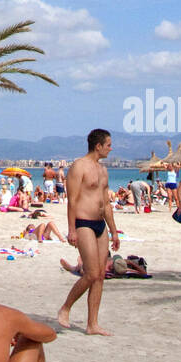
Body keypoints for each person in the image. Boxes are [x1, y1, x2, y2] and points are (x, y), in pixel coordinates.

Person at [57, 129, 120, 336]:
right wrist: (71, 229)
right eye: (108, 145)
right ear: (98, 146)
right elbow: (72, 201)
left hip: (101, 225)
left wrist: (114, 231)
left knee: (100, 275)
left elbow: (106, 203)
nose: (111, 148)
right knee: (91, 273)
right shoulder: (79, 167)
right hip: (83, 223)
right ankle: (66, 307)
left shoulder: (103, 170)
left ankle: (92, 324)